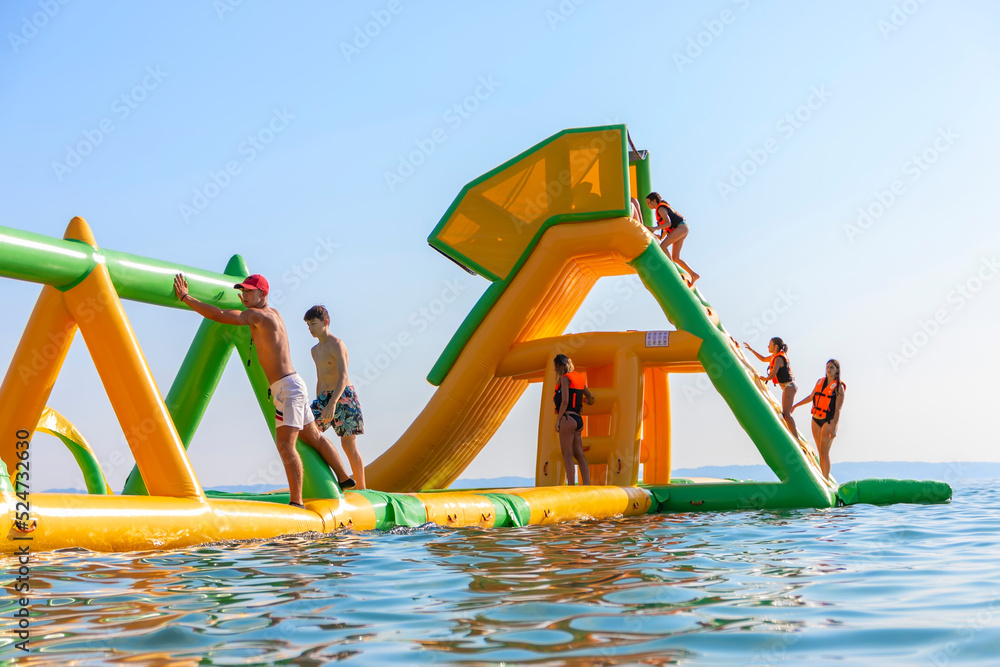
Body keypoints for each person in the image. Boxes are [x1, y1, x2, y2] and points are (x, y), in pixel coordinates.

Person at [173, 273, 355, 508]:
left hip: (288, 388)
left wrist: (186, 297)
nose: (244, 295)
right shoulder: (273, 314)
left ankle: (297, 502)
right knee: (313, 437)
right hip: (291, 385)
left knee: (286, 445)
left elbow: (218, 315)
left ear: (263, 294)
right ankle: (344, 478)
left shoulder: (256, 315)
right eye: (242, 291)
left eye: (249, 291)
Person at [304, 305, 366, 490]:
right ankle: (331, 481)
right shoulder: (314, 350)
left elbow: (343, 376)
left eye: (313, 324)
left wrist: (332, 404)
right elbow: (320, 378)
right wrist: (319, 402)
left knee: (348, 444)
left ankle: (362, 489)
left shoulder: (337, 344)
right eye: (308, 325)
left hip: (344, 396)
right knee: (306, 430)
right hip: (325, 396)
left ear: (326, 322)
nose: (311, 328)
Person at [793, 359, 845, 480]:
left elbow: (838, 410)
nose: (829, 369)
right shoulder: (820, 382)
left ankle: (825, 480)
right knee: (820, 452)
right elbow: (811, 397)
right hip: (816, 419)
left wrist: (833, 428)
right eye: (827, 367)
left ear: (837, 370)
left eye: (832, 367)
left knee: (824, 452)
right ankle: (822, 477)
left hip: (829, 421)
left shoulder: (839, 387)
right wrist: (796, 405)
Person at [744, 337, 800, 438]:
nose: (768, 346)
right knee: (785, 413)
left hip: (790, 386)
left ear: (776, 346)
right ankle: (793, 435)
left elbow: (773, 375)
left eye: (770, 344)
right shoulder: (774, 356)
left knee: (786, 413)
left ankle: (796, 437)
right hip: (787, 387)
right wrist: (751, 349)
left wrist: (764, 378)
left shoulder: (778, 359)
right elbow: (763, 359)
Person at [553, 354, 595, 486]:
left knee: (567, 454)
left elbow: (565, 401)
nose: (555, 370)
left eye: (556, 367)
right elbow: (590, 397)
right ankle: (586, 484)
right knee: (579, 454)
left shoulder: (565, 379)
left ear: (560, 366)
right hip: (578, 420)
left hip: (567, 418)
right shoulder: (578, 378)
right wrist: (588, 402)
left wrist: (558, 420)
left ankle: (571, 486)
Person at [646, 192, 700, 285]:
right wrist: (660, 236)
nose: (648, 205)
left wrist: (654, 228)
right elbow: (666, 229)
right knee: (676, 257)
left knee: (663, 246)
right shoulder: (661, 209)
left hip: (681, 227)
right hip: (683, 228)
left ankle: (673, 270)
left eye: (649, 202)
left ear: (654, 201)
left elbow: (668, 223)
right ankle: (693, 274)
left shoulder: (661, 208)